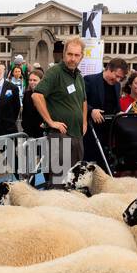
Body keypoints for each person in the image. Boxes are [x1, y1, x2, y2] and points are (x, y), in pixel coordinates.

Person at [30, 37, 87, 183]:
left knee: (73, 181)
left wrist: (84, 121)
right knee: (58, 183)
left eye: (76, 55)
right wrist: (50, 121)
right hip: (59, 136)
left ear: (82, 56)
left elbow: (84, 101)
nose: (72, 59)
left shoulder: (79, 76)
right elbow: (37, 95)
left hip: (77, 135)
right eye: (69, 54)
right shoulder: (55, 72)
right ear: (63, 54)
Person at [84, 57, 127, 168]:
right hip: (91, 131)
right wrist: (91, 110)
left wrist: (120, 113)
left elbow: (116, 106)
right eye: (116, 76)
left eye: (120, 78)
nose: (117, 80)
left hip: (108, 132)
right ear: (108, 69)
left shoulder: (117, 85)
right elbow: (79, 101)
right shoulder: (90, 80)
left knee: (104, 164)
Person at [0, 62, 22, 136]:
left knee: (7, 147)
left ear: (3, 72)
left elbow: (17, 107)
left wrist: (10, 121)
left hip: (7, 129)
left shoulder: (12, 88)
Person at [21, 68, 45, 138]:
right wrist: (24, 125)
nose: (32, 82)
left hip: (42, 130)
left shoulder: (46, 95)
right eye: (30, 80)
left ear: (41, 81)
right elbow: (25, 112)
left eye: (35, 80)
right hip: (28, 130)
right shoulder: (27, 94)